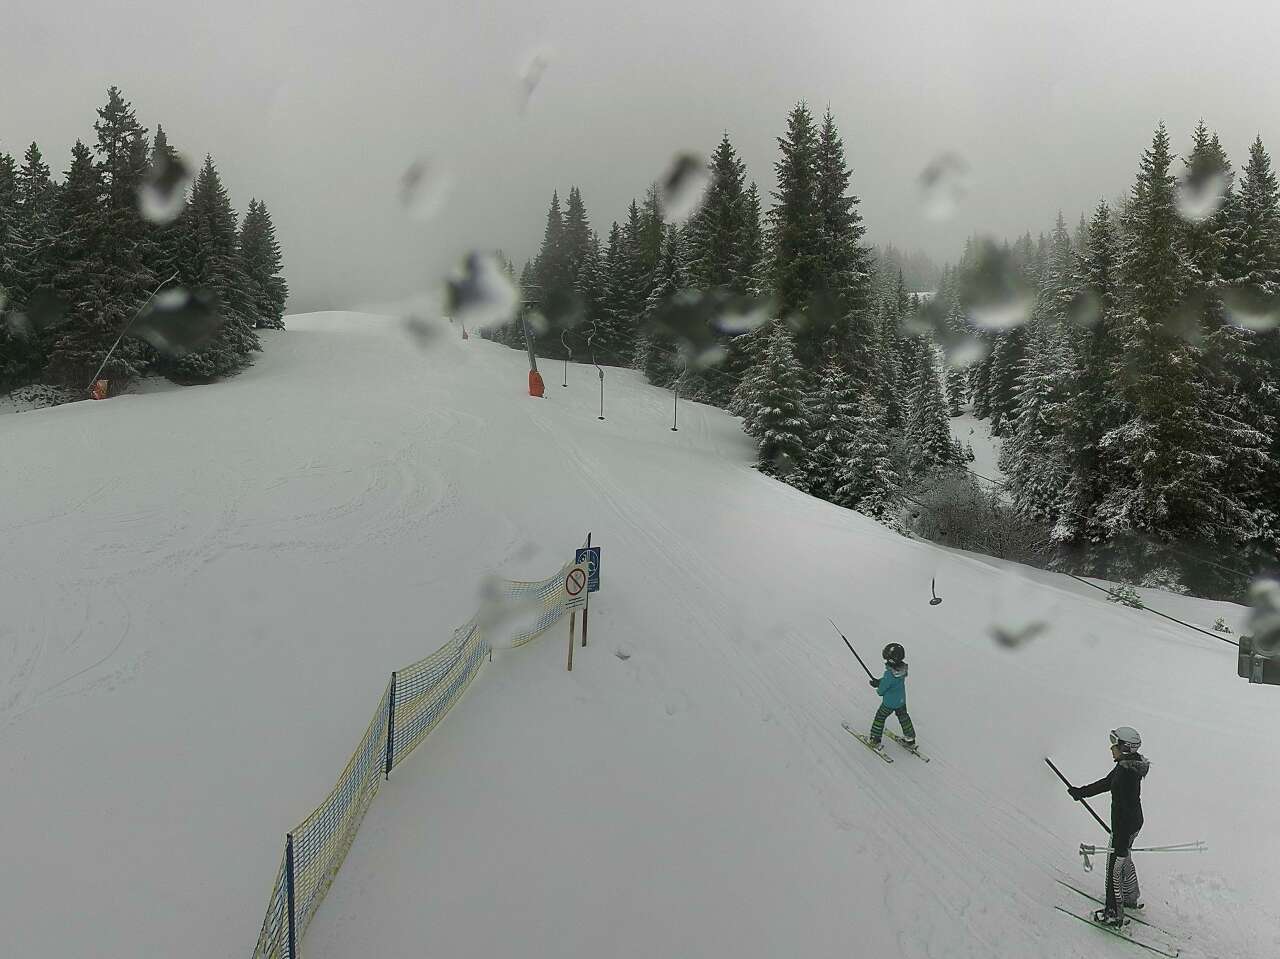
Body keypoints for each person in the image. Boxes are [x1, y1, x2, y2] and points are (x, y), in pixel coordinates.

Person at [1067, 727, 1150, 926]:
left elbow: (1123, 803)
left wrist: (1120, 839)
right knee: (1124, 859)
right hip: (1131, 824)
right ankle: (1130, 897)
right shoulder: (1127, 765)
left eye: (1115, 744)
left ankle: (1113, 913)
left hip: (1125, 826)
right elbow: (1108, 783)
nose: (1111, 748)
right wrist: (1081, 792)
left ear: (1125, 747)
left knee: (1115, 866)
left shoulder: (1125, 773)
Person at [867, 643, 915, 750]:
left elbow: (882, 690)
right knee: (904, 717)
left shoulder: (889, 674)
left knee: (880, 717)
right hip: (901, 701)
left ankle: (875, 739)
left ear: (891, 660)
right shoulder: (902, 670)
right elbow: (891, 683)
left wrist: (878, 686)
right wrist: (879, 681)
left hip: (889, 703)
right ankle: (910, 738)